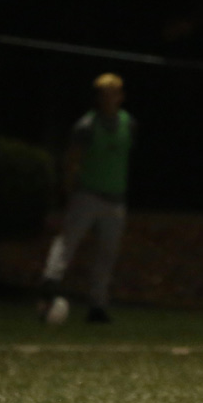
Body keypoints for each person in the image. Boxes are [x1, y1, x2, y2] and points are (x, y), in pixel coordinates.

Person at [37, 73, 136, 324]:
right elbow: (71, 159)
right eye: (104, 93)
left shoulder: (128, 124)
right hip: (88, 195)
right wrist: (70, 190)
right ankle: (50, 282)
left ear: (121, 96)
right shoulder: (86, 126)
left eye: (113, 92)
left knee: (106, 254)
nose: (109, 98)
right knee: (68, 241)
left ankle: (97, 305)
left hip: (115, 199)